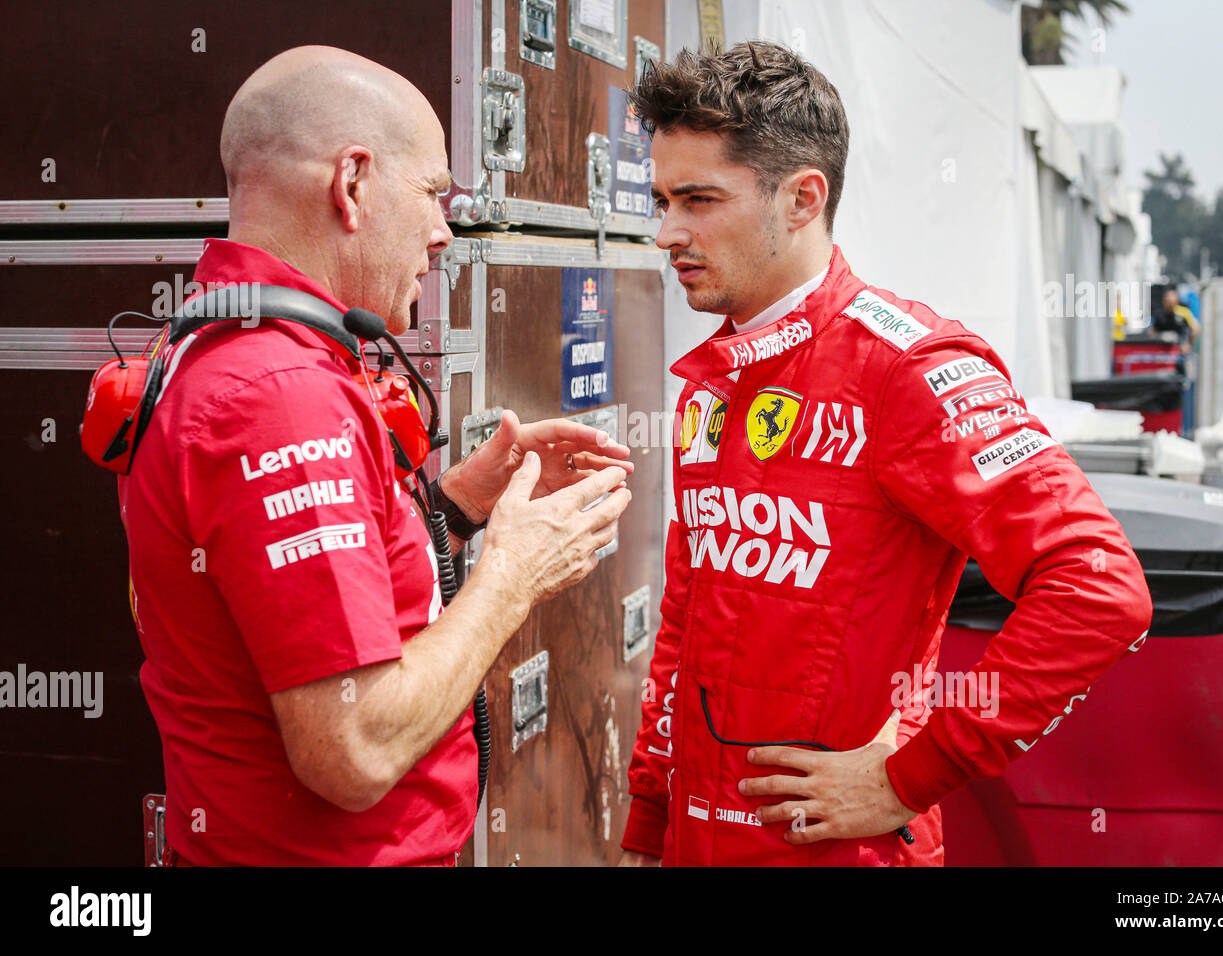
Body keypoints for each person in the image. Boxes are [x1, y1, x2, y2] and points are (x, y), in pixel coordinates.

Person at [618, 42, 1153, 867]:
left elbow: (1099, 589)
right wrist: (650, 822)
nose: (666, 232)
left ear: (803, 199)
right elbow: (686, 619)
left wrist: (909, 776)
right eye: (661, 199)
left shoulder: (912, 370)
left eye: (697, 199)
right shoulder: (712, 381)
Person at [120, 46, 633, 865]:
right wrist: (513, 575)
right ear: (352, 182)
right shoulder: (279, 392)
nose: (443, 231)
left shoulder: (241, 346)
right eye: (433, 194)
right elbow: (352, 750)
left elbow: (307, 591)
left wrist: (458, 507)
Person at [1152, 286, 1199, 353]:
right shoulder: (1159, 315)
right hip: (1164, 352)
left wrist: (1189, 345)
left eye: (1171, 302)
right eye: (1167, 301)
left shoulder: (1184, 312)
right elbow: (1153, 332)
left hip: (1181, 351)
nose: (1169, 304)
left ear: (1177, 301)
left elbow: (1195, 329)